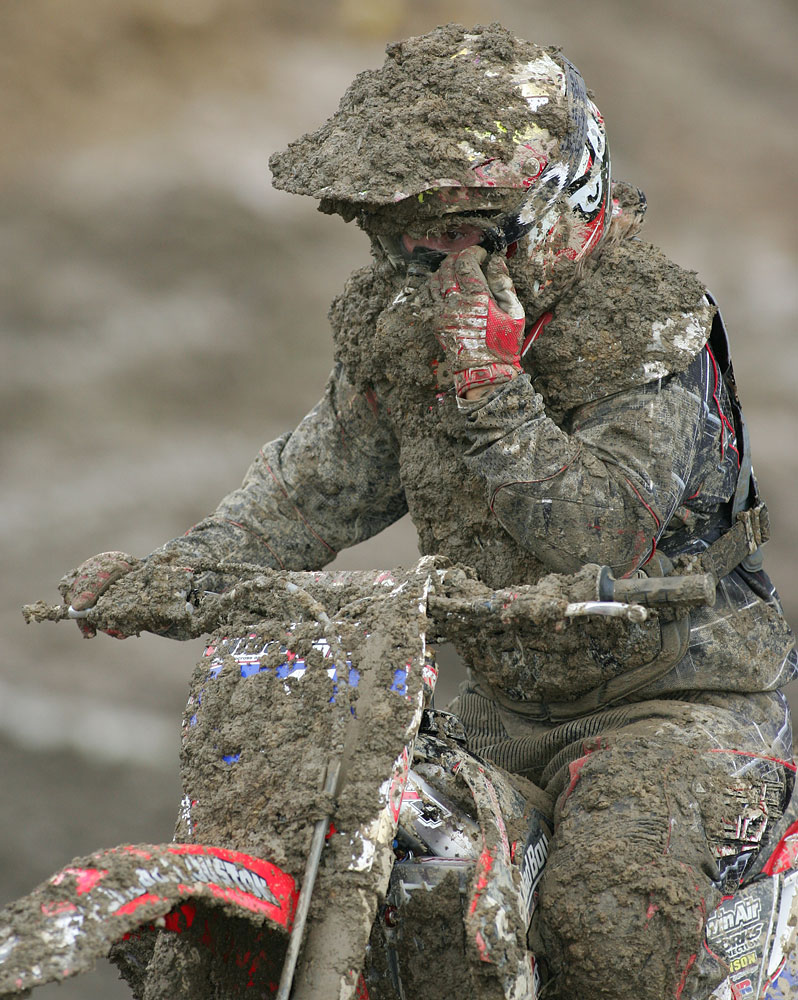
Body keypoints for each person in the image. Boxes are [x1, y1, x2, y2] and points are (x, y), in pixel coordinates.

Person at [60, 23, 797, 1000]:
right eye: (409, 233)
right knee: (372, 863)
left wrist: (492, 393)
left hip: (676, 698)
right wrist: (183, 569)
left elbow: (601, 532)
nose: (433, 259)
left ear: (559, 199)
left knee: (611, 926)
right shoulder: (407, 327)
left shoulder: (647, 325)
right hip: (501, 698)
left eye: (462, 231)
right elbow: (313, 487)